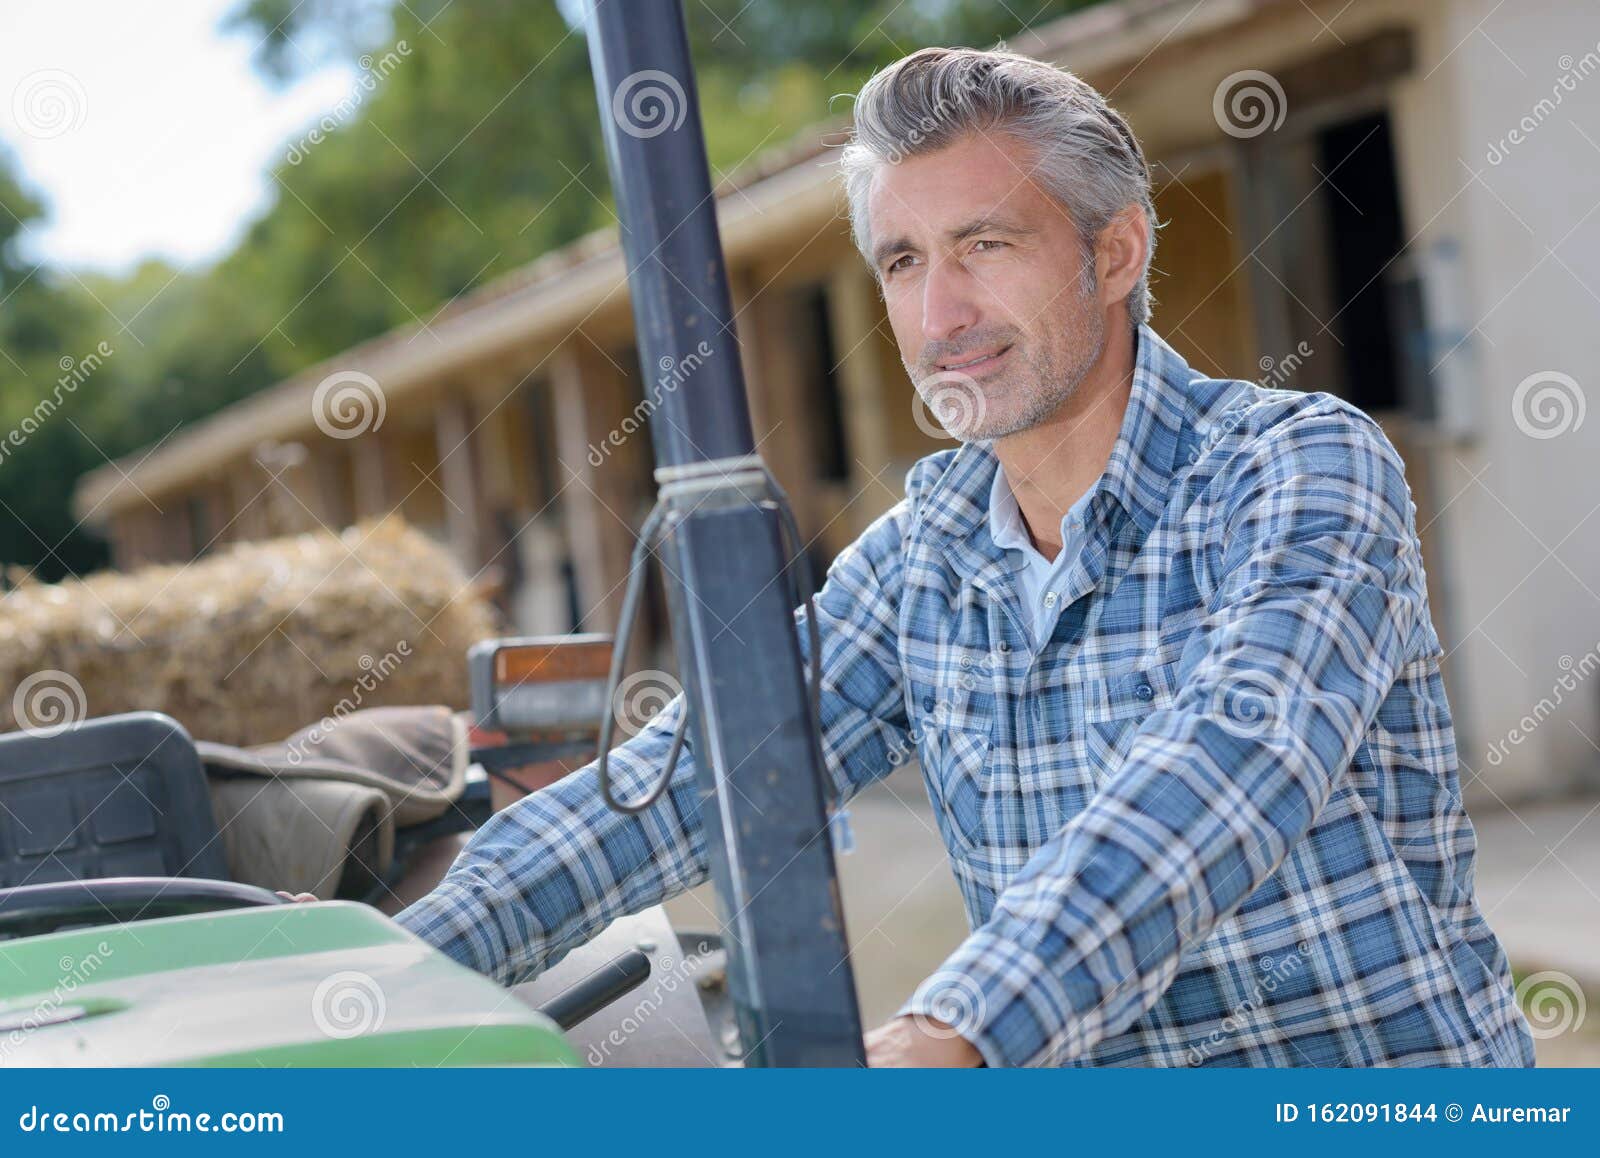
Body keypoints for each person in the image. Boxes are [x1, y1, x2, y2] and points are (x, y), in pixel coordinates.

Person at [336, 47, 1532, 1068]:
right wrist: (373, 974)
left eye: (985, 245)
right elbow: (693, 779)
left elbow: (1230, 762)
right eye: (903, 262)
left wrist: (953, 1029)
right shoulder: (919, 560)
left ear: (1114, 255)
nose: (938, 315)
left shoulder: (1297, 467)